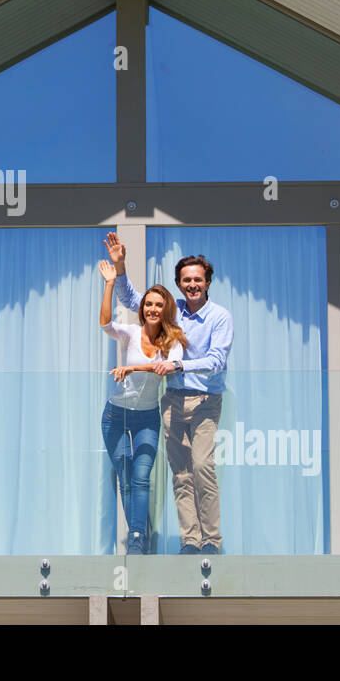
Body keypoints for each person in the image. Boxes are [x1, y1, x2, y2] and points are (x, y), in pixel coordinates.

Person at [104, 232, 234, 554]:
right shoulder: (171, 311)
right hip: (173, 400)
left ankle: (212, 542)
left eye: (198, 280)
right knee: (182, 474)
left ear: (207, 283)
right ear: (179, 283)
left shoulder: (219, 317)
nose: (192, 285)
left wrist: (178, 367)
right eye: (186, 280)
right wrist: (120, 269)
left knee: (203, 466)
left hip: (204, 400)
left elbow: (217, 361)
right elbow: (134, 300)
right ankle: (190, 540)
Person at [97, 258, 185, 555]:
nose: (152, 309)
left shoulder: (173, 341)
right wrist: (110, 284)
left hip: (147, 417)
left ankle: (138, 538)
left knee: (141, 475)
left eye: (158, 305)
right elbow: (105, 324)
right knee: (124, 475)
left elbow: (168, 367)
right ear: (142, 308)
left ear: (166, 309)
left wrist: (132, 369)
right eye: (148, 304)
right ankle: (136, 538)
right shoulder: (132, 333)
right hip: (115, 415)